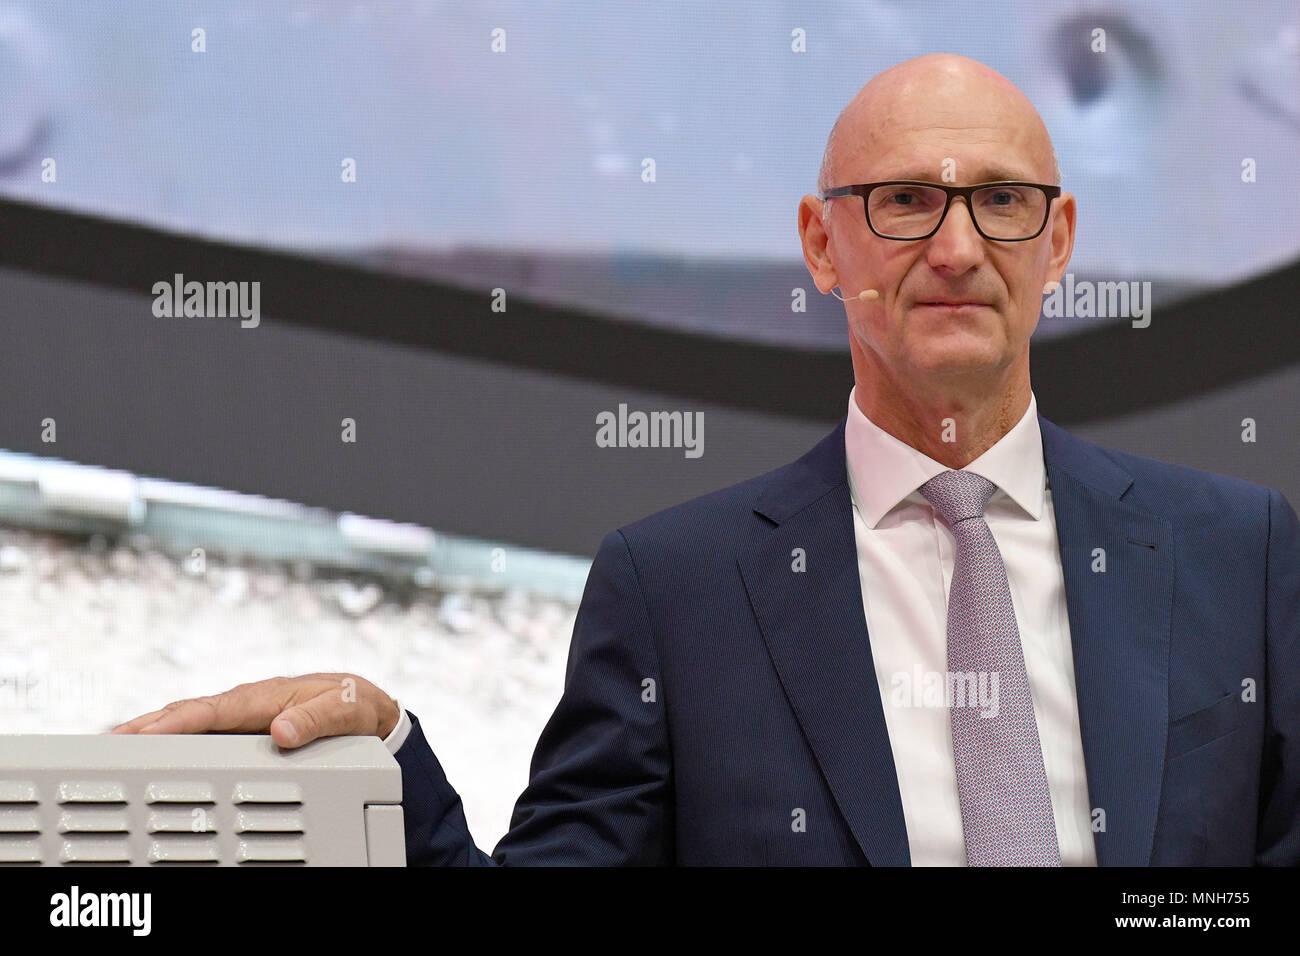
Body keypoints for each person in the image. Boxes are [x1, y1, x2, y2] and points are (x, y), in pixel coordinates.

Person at [112, 53, 1299, 866]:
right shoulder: (673, 591)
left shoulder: (1237, 555)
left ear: (1059, 242)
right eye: (900, 202)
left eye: (1000, 201)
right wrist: (381, 761)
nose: (953, 246)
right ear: (820, 245)